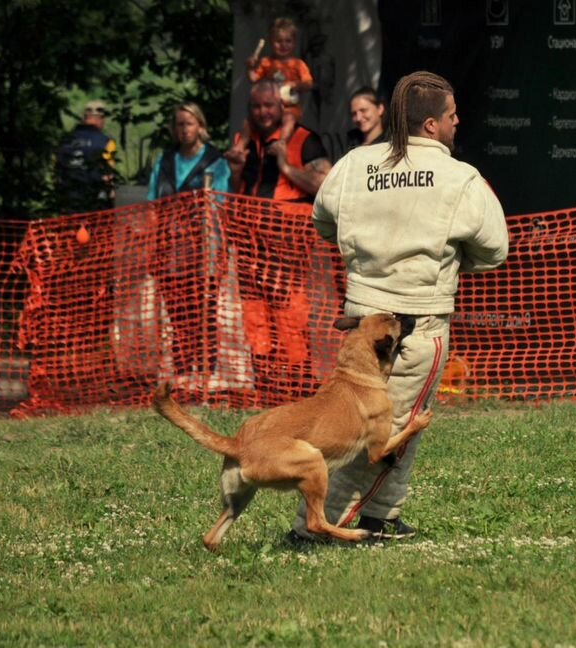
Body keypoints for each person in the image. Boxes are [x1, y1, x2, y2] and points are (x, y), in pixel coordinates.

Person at [288, 70, 509, 542]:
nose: (457, 121)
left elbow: (323, 219)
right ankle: (321, 528)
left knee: (364, 424)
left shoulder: (353, 164)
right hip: (418, 323)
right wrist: (452, 264)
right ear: (431, 125)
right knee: (388, 432)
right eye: (451, 115)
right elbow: (495, 249)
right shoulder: (461, 177)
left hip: (363, 324)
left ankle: (380, 516)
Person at [225, 80, 332, 393]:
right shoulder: (242, 142)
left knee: (290, 310)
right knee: (254, 311)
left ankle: (298, 383)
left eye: (269, 105)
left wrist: (285, 164)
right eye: (257, 106)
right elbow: (237, 192)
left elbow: (325, 184)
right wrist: (235, 171)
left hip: (287, 242)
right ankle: (265, 383)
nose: (263, 112)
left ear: (281, 107)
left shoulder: (304, 140)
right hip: (249, 243)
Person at [147, 102, 231, 387]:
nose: (184, 129)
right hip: (170, 248)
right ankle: (183, 372)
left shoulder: (215, 161)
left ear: (200, 127)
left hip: (204, 247)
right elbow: (152, 201)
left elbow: (220, 201)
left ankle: (207, 372)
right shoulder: (165, 161)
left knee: (204, 309)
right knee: (178, 311)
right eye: (180, 124)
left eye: (190, 123)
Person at [242, 17, 313, 146]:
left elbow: (309, 83)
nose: (283, 45)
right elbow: (253, 79)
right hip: (269, 107)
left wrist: (295, 85)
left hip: (289, 107)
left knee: (289, 119)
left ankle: (281, 144)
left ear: (294, 43)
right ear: (271, 42)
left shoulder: (298, 64)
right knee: (249, 121)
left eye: (288, 41)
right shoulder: (266, 62)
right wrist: (249, 67)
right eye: (278, 41)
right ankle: (240, 147)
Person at [54, 100, 118, 214]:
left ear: (84, 118)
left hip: (68, 199)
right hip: (95, 202)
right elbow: (108, 175)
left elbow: (56, 171)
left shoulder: (65, 140)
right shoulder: (106, 143)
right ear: (100, 119)